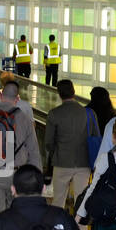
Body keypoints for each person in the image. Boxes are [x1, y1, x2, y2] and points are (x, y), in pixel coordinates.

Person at [0, 80, 40, 220]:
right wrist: (36, 179)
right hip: (13, 174)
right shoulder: (23, 118)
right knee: (17, 215)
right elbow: (34, 151)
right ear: (17, 99)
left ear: (1, 96)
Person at [44, 79, 97, 215]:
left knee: (58, 201)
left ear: (59, 94)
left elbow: (48, 142)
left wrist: (56, 152)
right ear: (73, 91)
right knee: (81, 202)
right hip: (83, 162)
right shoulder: (89, 113)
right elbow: (95, 136)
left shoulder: (54, 113)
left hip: (61, 162)